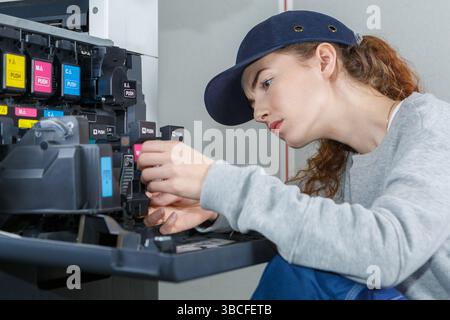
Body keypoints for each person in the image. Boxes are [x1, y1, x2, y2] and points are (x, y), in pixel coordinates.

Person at [137, 10, 450, 300]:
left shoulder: (433, 126)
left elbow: (388, 250)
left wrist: (217, 181)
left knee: (301, 271)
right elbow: (312, 227)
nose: (258, 112)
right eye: (251, 102)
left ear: (325, 60)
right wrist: (214, 207)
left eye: (266, 82)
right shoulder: (346, 165)